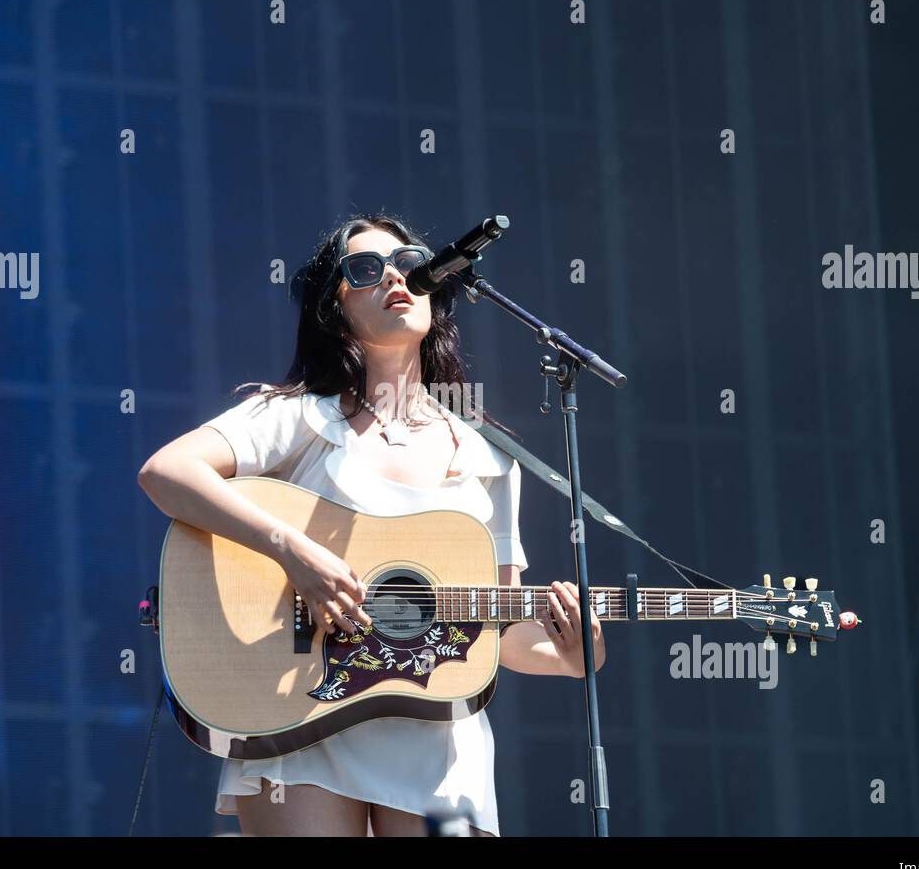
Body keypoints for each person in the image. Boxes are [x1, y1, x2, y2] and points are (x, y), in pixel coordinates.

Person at [138, 213, 605, 836]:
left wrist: (572, 655)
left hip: (438, 735)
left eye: (410, 263)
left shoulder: (488, 456)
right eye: (364, 269)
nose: (394, 277)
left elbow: (500, 631)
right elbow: (167, 472)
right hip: (297, 709)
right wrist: (293, 552)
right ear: (334, 310)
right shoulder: (298, 416)